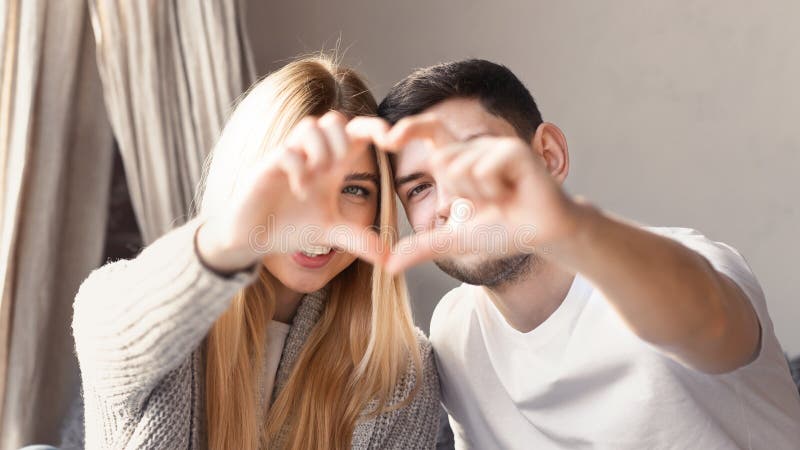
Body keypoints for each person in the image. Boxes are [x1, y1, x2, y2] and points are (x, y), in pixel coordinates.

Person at [377, 59, 800, 448]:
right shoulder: (455, 330)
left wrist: (568, 224)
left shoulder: (690, 265)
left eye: (473, 162)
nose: (452, 199)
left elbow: (710, 325)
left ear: (548, 156)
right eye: (420, 188)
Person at [72, 56, 440, 450]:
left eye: (355, 189)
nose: (320, 215)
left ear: (377, 209)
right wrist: (228, 242)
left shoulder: (399, 370)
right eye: (298, 181)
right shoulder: (128, 307)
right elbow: (111, 328)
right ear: (247, 182)